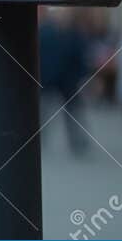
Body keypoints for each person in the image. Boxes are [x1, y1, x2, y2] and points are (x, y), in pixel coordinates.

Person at [39, 8, 90, 155]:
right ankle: (38, 139)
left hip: (68, 80)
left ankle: (78, 142)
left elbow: (81, 58)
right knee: (43, 112)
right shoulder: (44, 33)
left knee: (74, 112)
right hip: (47, 78)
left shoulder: (74, 34)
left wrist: (83, 76)